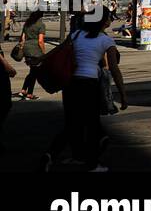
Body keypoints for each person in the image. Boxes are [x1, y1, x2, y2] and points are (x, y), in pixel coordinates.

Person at [43, 10, 128, 172]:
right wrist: (123, 94)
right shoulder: (106, 40)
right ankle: (93, 164)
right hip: (89, 85)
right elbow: (114, 70)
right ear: (103, 21)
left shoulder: (76, 35)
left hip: (71, 85)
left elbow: (59, 50)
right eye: (109, 17)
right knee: (92, 126)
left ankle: (49, 155)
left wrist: (41, 59)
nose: (111, 19)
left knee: (71, 125)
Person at [18, 10, 46, 100]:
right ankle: (29, 94)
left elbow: (22, 38)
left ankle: (23, 90)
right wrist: (44, 53)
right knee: (34, 73)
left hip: (27, 49)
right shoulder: (41, 25)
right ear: (40, 17)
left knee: (32, 71)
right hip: (36, 51)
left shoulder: (27, 24)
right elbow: (40, 41)